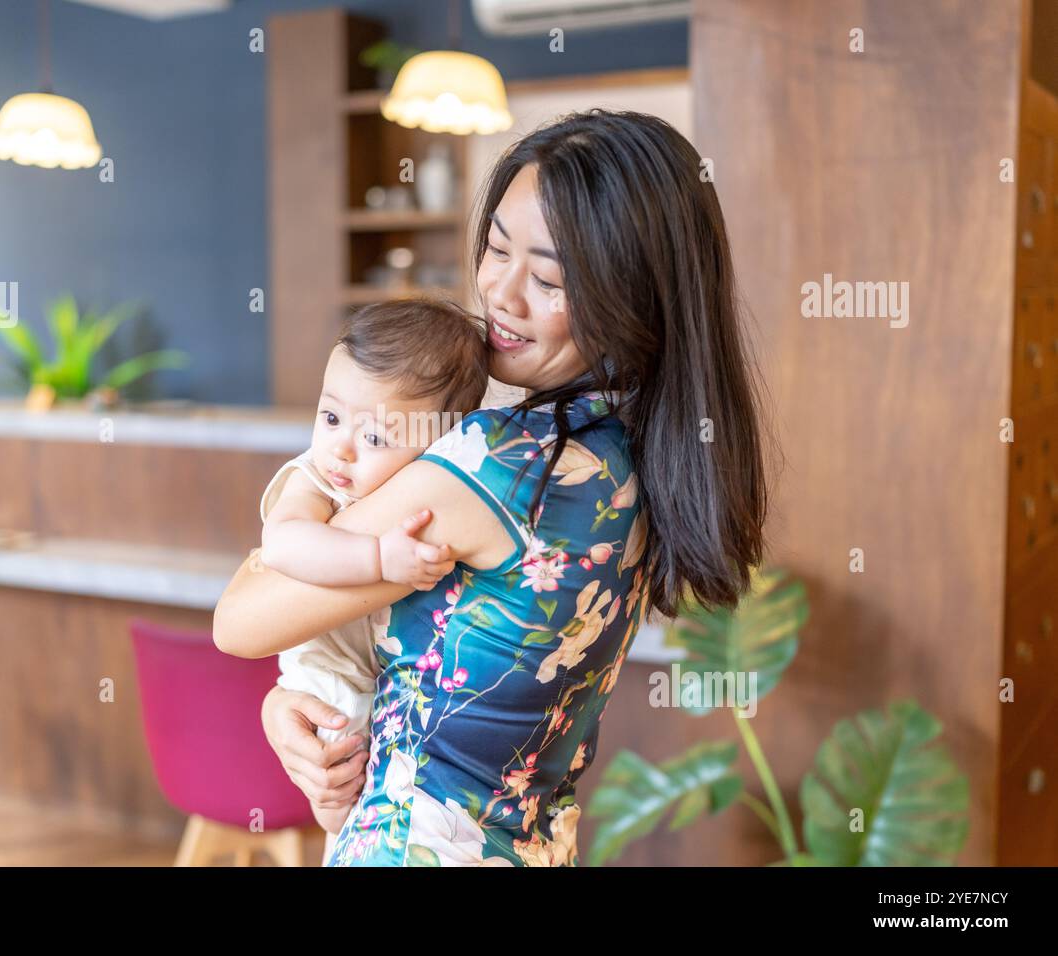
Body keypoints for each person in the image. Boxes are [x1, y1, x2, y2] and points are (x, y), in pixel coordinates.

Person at [215, 109, 771, 866]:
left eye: (548, 278)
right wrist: (294, 704)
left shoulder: (500, 465)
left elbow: (242, 620)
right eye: (497, 250)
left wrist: (306, 490)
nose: (500, 295)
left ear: (632, 295)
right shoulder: (634, 456)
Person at [255, 297, 488, 842]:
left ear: (436, 449)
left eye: (376, 436)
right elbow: (283, 543)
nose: (341, 447)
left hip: (386, 682)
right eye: (331, 416)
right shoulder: (313, 480)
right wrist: (380, 558)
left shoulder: (426, 493)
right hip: (329, 674)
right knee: (340, 799)